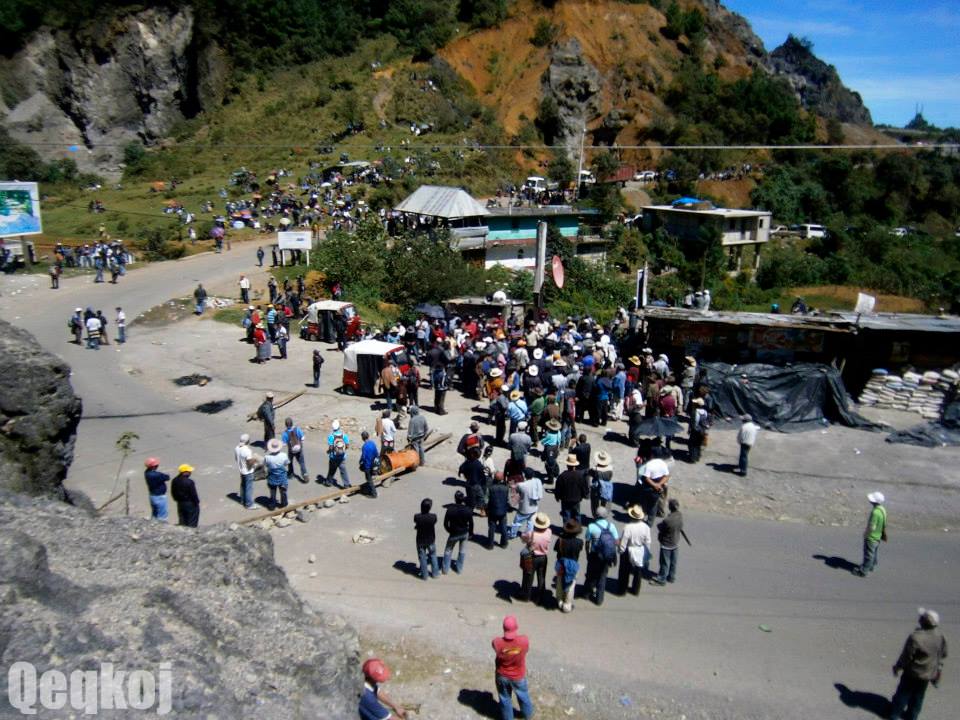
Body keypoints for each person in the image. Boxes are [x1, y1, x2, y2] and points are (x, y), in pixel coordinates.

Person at [889, 608, 948, 720]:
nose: (919, 618)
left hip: (912, 673)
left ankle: (895, 715)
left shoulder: (915, 637)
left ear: (923, 621)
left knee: (903, 694)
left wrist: (897, 667)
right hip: (927, 674)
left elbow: (906, 657)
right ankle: (912, 716)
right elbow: (943, 654)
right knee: (918, 697)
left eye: (921, 617)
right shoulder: (941, 636)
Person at [492, 616, 534, 720]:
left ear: (503, 628)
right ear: (516, 627)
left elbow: (495, 646)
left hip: (502, 675)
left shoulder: (497, 643)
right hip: (518, 676)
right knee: (523, 696)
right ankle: (527, 715)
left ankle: (508, 718)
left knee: (505, 698)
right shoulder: (524, 641)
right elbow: (526, 649)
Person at [583, 507, 619, 606]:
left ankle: (586, 593)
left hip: (594, 555)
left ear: (596, 515)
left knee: (591, 574)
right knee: (602, 577)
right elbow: (616, 541)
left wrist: (587, 554)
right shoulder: (611, 526)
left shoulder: (591, 526)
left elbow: (587, 542)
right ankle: (599, 599)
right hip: (606, 556)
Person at [520, 512, 553, 605]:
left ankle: (526, 595)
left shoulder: (531, 534)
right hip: (543, 557)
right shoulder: (549, 532)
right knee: (541, 577)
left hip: (532, 556)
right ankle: (540, 597)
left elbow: (523, 538)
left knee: (528, 576)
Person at [618, 505, 651, 594]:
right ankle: (635, 589)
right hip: (640, 550)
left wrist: (621, 551)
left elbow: (624, 541)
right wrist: (646, 553)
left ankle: (622, 589)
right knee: (638, 572)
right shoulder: (646, 527)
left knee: (625, 571)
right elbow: (648, 542)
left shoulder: (628, 527)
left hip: (629, 550)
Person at [651, 498, 684, 585]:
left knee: (665, 563)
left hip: (666, 544)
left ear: (670, 507)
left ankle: (662, 579)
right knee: (673, 562)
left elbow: (660, 527)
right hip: (675, 542)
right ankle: (671, 577)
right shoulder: (680, 515)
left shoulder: (667, 520)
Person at [854, 491, 888, 577]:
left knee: (868, 554)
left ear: (874, 502)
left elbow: (871, 527)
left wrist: (865, 534)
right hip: (878, 536)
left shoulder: (875, 512)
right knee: (873, 553)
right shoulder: (882, 509)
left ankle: (863, 571)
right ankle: (871, 566)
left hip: (871, 537)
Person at [554, 519, 583, 613]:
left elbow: (556, 551)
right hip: (573, 565)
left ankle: (559, 601)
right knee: (570, 585)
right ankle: (567, 604)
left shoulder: (560, 540)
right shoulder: (579, 542)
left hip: (561, 564)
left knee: (559, 582)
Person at [442, 490, 473, 575]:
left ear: (455, 499)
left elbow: (445, 523)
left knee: (448, 550)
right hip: (464, 533)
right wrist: (470, 533)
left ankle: (445, 569)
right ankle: (459, 569)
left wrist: (450, 530)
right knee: (462, 551)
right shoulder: (468, 510)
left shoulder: (450, 509)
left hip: (454, 533)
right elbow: (471, 523)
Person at [556, 454, 589, 524]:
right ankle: (576, 530)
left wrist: (557, 496)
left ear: (567, 465)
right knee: (577, 515)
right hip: (576, 499)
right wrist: (584, 495)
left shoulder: (562, 476)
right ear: (575, 465)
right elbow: (584, 487)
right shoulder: (580, 476)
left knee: (566, 515)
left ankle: (567, 531)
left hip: (565, 499)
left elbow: (558, 488)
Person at [636, 455, 670, 524]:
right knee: (654, 505)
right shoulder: (662, 463)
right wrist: (659, 484)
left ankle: (641, 518)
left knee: (644, 504)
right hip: (658, 488)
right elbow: (666, 476)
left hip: (648, 488)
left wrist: (655, 485)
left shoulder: (648, 465)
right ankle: (650, 522)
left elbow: (646, 478)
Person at [512, 472, 543, 538]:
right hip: (534, 507)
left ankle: (513, 534)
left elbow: (516, 491)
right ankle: (528, 535)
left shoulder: (521, 485)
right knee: (531, 522)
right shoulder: (536, 481)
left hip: (524, 508)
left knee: (517, 522)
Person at [414, 498, 439, 580]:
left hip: (420, 540)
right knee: (433, 556)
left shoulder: (417, 516)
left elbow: (417, 523)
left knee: (422, 557)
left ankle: (425, 576)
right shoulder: (433, 516)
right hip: (431, 539)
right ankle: (435, 574)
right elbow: (434, 522)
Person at [487, 472, 510, 549]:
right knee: (503, 528)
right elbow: (509, 500)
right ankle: (504, 543)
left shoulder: (490, 488)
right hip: (503, 511)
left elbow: (486, 500)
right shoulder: (506, 488)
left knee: (492, 528)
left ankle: (490, 545)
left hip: (492, 511)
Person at [264, 439, 289, 509]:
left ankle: (272, 505)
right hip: (282, 476)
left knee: (273, 491)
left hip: (272, 476)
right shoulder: (284, 455)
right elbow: (286, 463)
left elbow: (266, 465)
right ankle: (284, 503)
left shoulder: (267, 457)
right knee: (283, 491)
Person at [325, 419, 351, 487]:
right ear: (339, 427)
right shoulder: (344, 435)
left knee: (331, 470)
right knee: (343, 471)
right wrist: (342, 450)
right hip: (342, 456)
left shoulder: (331, 436)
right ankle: (346, 484)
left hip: (333, 457)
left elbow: (330, 447)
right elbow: (348, 445)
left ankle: (328, 482)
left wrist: (329, 451)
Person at [589, 451, 614, 519]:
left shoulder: (595, 469)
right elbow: (610, 477)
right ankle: (603, 516)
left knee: (595, 503)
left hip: (597, 488)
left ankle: (596, 515)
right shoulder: (610, 469)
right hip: (606, 487)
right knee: (605, 502)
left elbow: (589, 473)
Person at [235, 434, 257, 509]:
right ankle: (249, 504)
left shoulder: (237, 448)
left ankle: (243, 500)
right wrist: (255, 460)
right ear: (248, 441)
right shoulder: (247, 450)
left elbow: (236, 458)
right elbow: (249, 462)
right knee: (249, 488)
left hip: (241, 470)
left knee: (243, 486)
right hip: (248, 471)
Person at [687, 397, 708, 463]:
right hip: (702, 430)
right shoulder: (705, 412)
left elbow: (695, 422)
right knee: (698, 444)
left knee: (692, 444)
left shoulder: (695, 412)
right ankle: (698, 456)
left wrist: (690, 429)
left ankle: (693, 458)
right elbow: (705, 421)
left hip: (696, 431)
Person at [360, 431, 380, 498]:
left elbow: (363, 457)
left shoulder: (364, 447)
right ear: (368, 436)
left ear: (362, 438)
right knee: (369, 477)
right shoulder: (373, 443)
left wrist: (360, 462)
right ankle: (370, 489)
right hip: (373, 464)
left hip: (367, 465)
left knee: (368, 479)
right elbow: (377, 454)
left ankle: (374, 494)